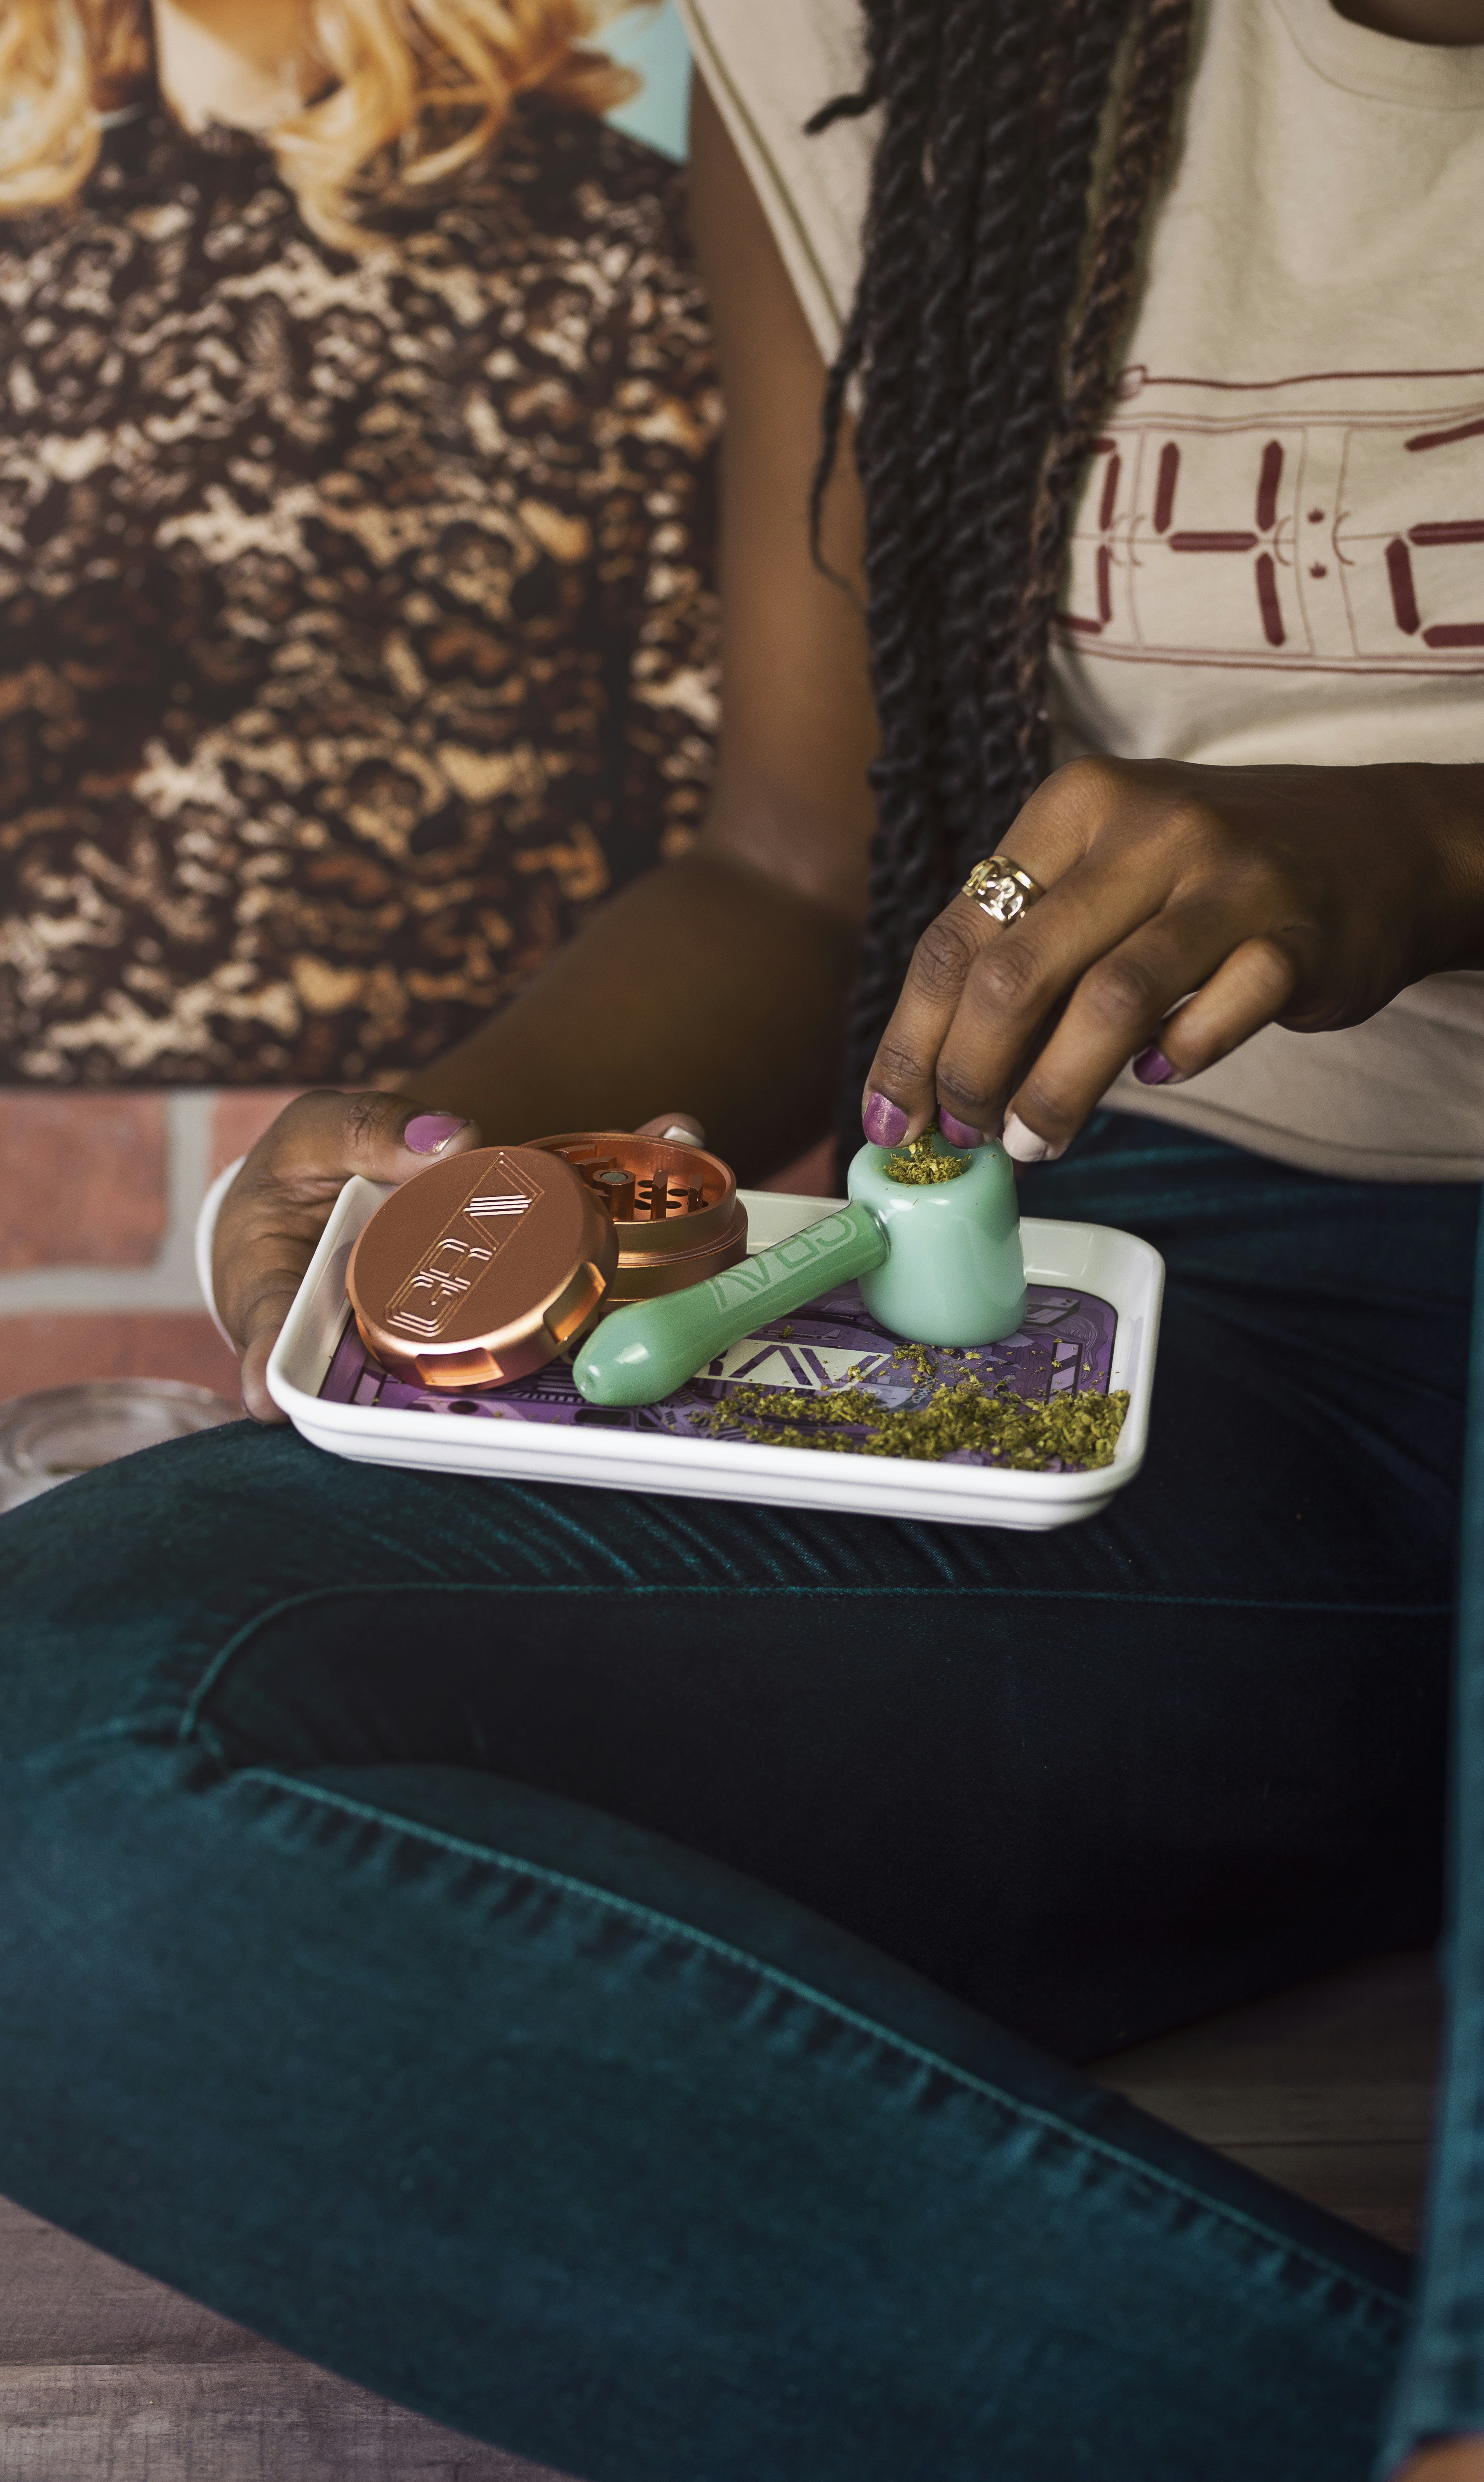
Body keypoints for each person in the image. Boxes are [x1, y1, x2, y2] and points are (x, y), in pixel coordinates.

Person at [2, 0, 1483, 2475]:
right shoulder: (895, 38)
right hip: (1190, 1344)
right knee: (54, 1768)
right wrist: (464, 1151)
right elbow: (801, 871)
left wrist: (1427, 849)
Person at [0, 0, 718, 1087]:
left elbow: (716, 830)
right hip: (43, 1180)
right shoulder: (24, 248)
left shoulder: (609, 238)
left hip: (458, 1168)